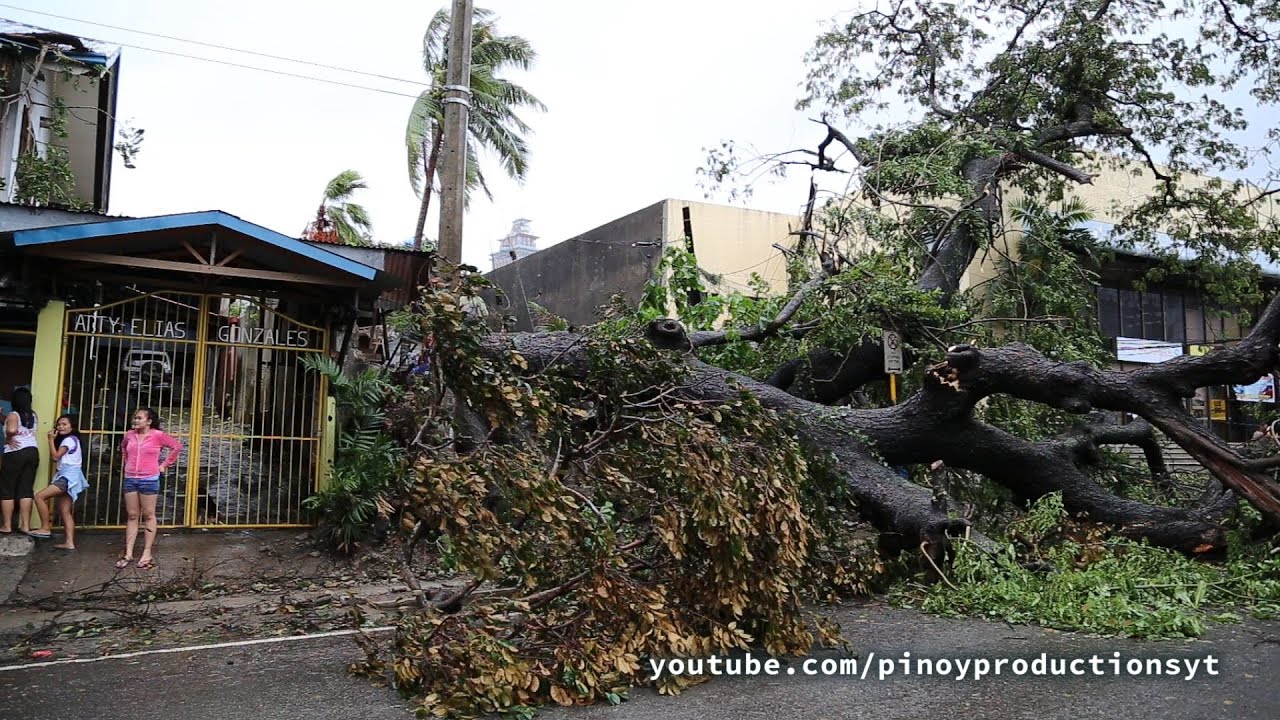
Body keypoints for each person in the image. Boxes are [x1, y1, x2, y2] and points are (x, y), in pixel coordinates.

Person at [117, 407, 182, 570]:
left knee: (148, 514)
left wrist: (164, 465)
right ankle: (129, 553)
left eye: (139, 418)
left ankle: (147, 552)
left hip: (149, 479)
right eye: (135, 418)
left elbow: (177, 447)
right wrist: (126, 464)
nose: (136, 421)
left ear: (149, 421)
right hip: (130, 478)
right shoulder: (129, 435)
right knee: (132, 515)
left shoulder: (157, 436)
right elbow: (123, 449)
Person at [29, 415, 87, 549]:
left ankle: (45, 527)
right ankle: (69, 542)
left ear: (72, 426)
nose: (61, 427)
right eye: (59, 424)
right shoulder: (74, 440)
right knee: (65, 511)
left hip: (67, 477)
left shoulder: (69, 440)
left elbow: (55, 457)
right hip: (71, 477)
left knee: (39, 497)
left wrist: (50, 439)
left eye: (64, 424)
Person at [0, 387, 39, 535]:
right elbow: (13, 424)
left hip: (15, 454)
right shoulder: (32, 415)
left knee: (7, 489)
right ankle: (26, 526)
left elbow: (11, 429)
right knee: (25, 489)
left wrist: (9, 439)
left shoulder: (13, 414)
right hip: (32, 452)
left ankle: (7, 526)